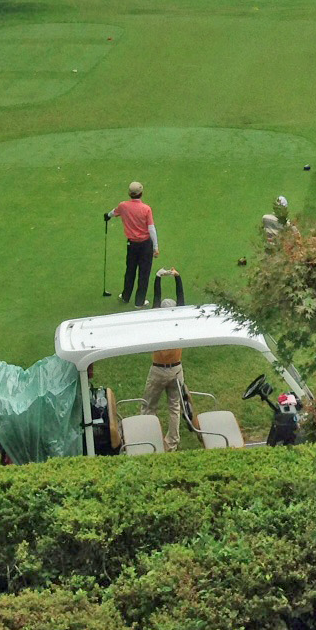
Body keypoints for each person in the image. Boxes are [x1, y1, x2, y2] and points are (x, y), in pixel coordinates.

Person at [141, 298, 186, 451]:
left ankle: (149, 440)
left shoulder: (157, 327)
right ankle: (172, 442)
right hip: (176, 370)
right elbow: (182, 298)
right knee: (174, 407)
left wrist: (159, 278)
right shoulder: (180, 325)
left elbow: (155, 300)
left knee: (148, 406)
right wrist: (177, 277)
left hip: (158, 370)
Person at [107, 181, 158, 306]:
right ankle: (139, 302)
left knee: (130, 270)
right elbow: (151, 228)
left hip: (132, 245)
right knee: (144, 273)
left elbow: (113, 212)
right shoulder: (146, 209)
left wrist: (107, 216)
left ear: (129, 193)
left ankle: (125, 297)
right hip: (145, 245)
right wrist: (156, 247)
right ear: (141, 193)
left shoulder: (123, 206)